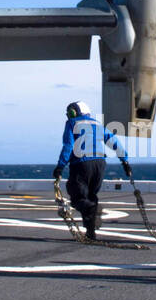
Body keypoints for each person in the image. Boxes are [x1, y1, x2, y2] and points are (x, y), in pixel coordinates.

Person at [54, 101, 131, 240]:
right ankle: (91, 233)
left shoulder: (72, 123)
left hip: (81, 163)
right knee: (91, 196)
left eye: (70, 112)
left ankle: (91, 213)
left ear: (75, 112)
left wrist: (60, 165)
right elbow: (113, 141)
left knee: (78, 196)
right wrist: (124, 160)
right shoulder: (97, 124)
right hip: (100, 163)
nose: (68, 115)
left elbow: (68, 145)